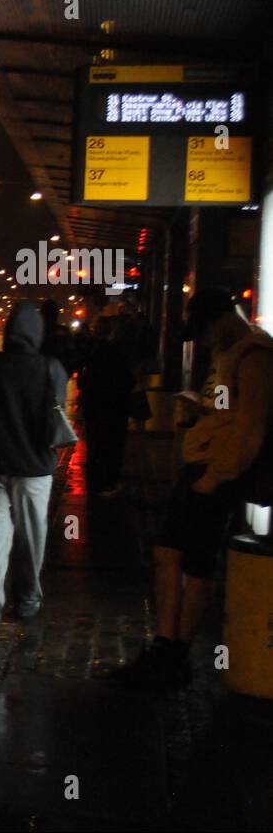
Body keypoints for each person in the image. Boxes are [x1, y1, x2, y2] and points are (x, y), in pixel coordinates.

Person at [114, 288, 273, 691]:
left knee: (197, 564)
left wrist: (214, 477)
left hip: (216, 475)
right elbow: (229, 413)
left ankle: (174, 655)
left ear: (221, 320)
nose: (200, 341)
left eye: (202, 332)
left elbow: (250, 429)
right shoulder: (233, 354)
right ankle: (167, 647)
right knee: (170, 553)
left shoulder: (255, 356)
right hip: (204, 468)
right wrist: (202, 414)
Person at [0, 302, 67, 634]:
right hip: (35, 468)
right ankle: (26, 599)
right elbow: (59, 412)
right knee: (31, 537)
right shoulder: (50, 368)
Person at [78, 314, 135, 495]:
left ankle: (94, 480)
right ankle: (109, 481)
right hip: (115, 405)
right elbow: (129, 380)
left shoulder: (91, 350)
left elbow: (83, 377)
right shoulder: (119, 351)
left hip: (94, 403)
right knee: (113, 444)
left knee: (95, 442)